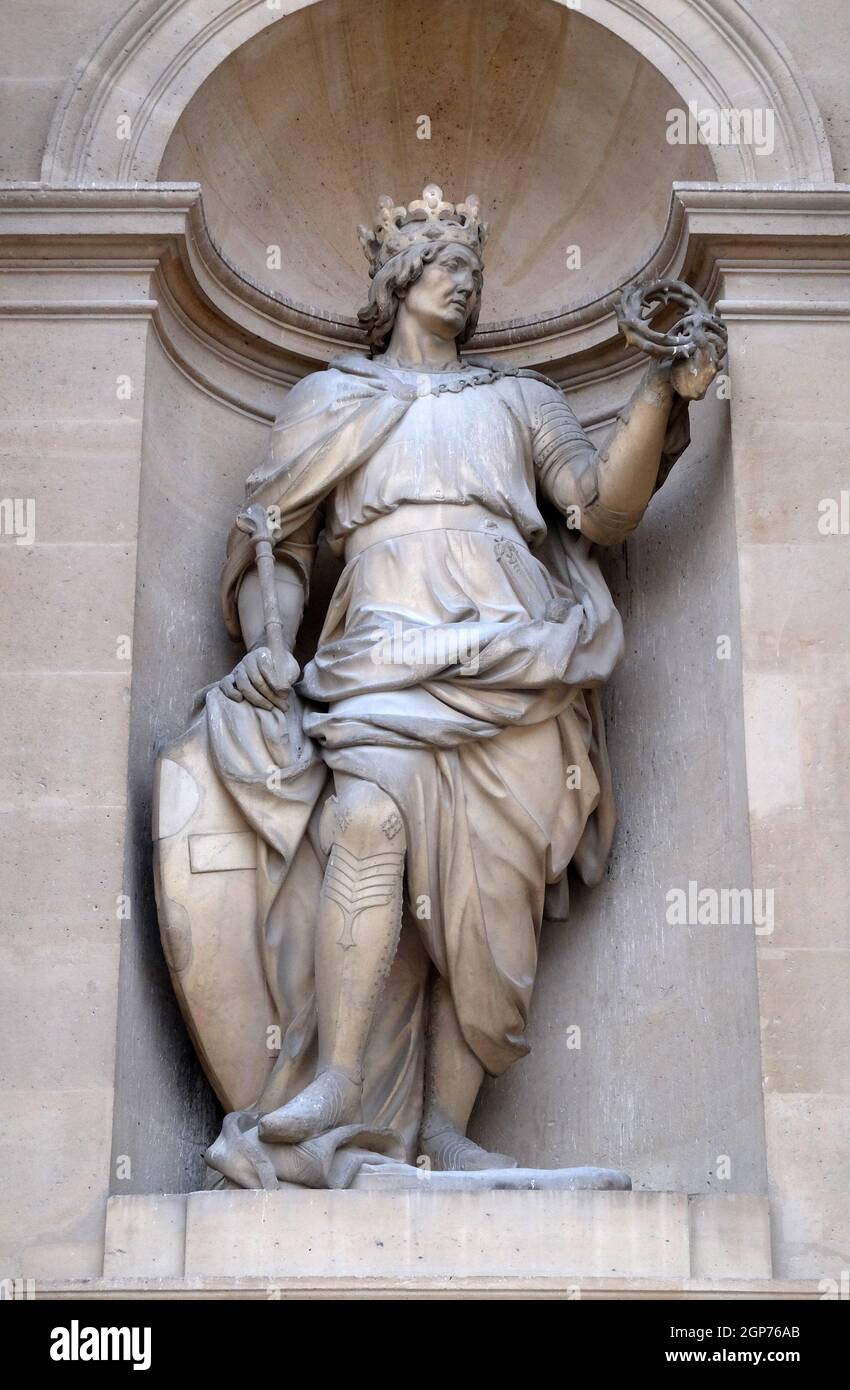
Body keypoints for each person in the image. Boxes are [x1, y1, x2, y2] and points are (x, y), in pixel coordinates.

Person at [202, 185, 720, 1189]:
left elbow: (600, 517)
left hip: (520, 658)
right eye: (444, 264)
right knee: (366, 824)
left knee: (489, 904)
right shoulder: (330, 400)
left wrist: (661, 391)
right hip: (382, 656)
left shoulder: (520, 400)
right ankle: (340, 1079)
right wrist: (270, 641)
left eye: (471, 268)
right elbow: (277, 540)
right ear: (399, 281)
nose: (463, 278)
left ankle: (443, 1128)